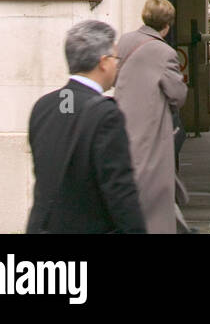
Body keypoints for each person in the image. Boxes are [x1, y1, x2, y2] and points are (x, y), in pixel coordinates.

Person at [26, 19, 146, 234]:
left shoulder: (43, 107)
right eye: (116, 58)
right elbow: (119, 189)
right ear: (103, 62)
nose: (117, 65)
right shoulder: (106, 115)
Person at [114, 0, 188, 234]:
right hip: (151, 128)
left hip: (121, 124)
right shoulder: (165, 53)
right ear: (167, 26)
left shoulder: (124, 42)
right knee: (155, 189)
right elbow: (178, 95)